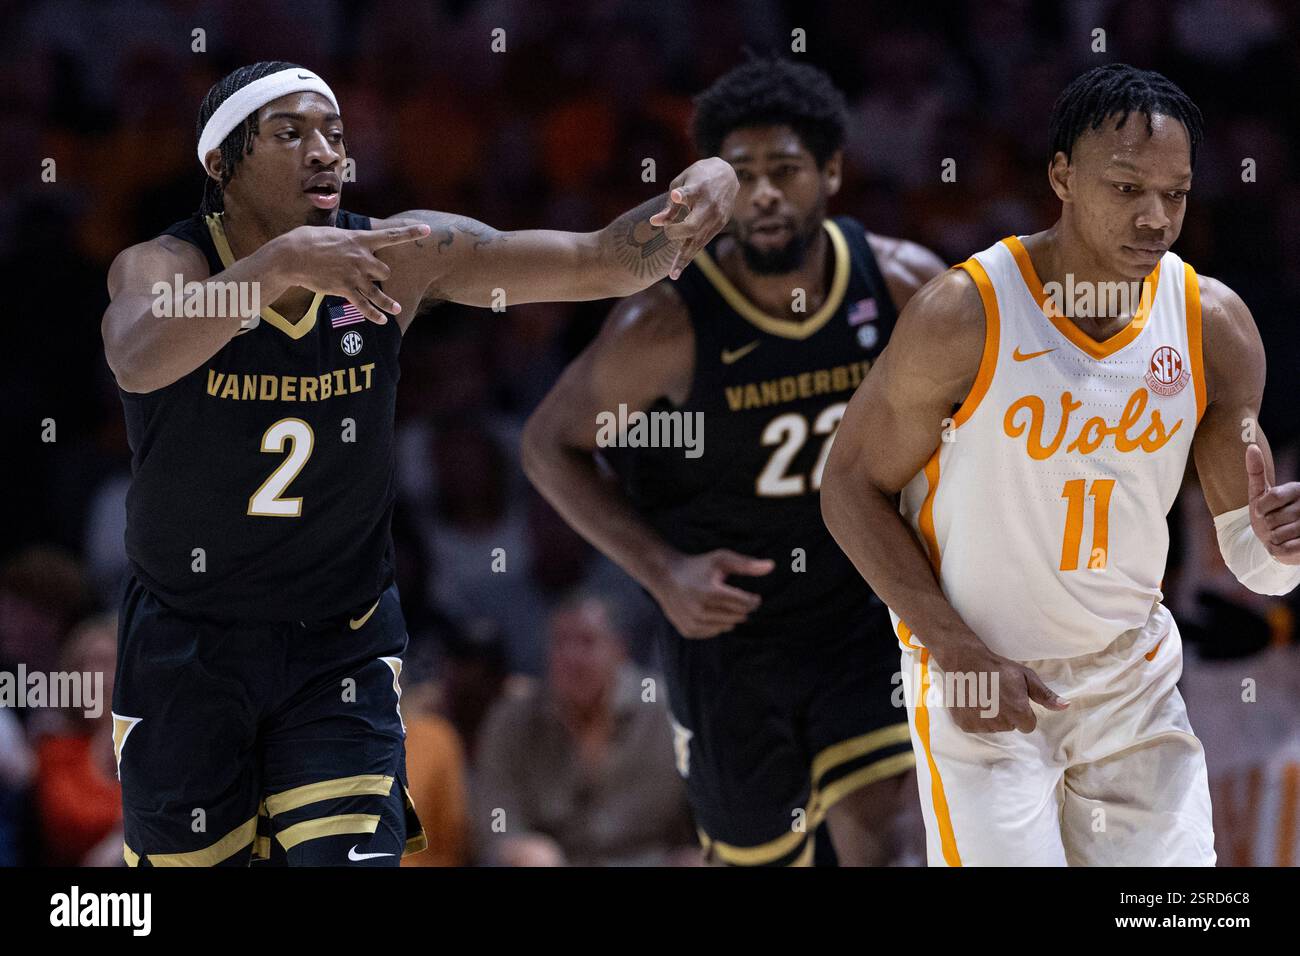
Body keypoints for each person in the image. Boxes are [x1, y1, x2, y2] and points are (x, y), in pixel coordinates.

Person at [100, 61, 737, 867]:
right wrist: (282, 266)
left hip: (340, 639)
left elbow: (602, 258)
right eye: (290, 134)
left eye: (334, 132)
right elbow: (135, 355)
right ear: (221, 164)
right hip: (187, 646)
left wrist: (713, 178)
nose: (326, 152)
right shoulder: (164, 265)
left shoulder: (398, 253)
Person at [821, 63, 1300, 866]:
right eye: (1125, 188)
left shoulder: (1212, 326)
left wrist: (1281, 547)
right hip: (982, 672)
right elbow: (848, 487)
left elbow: (1255, 561)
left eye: (1175, 194)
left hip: (1131, 683)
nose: (1155, 218)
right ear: (1061, 177)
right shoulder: (965, 313)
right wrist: (952, 645)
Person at [523, 59, 945, 866]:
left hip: (862, 608)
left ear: (831, 171)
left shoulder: (900, 285)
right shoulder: (666, 325)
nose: (763, 195)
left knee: (884, 837)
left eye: (785, 170)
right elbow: (548, 445)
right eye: (741, 176)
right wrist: (661, 570)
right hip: (730, 630)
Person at [474, 593, 696, 866]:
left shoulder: (666, 712)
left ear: (619, 650)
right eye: (561, 643)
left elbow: (704, 814)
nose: (572, 658)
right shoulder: (512, 719)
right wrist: (518, 847)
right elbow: (496, 816)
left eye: (587, 642)